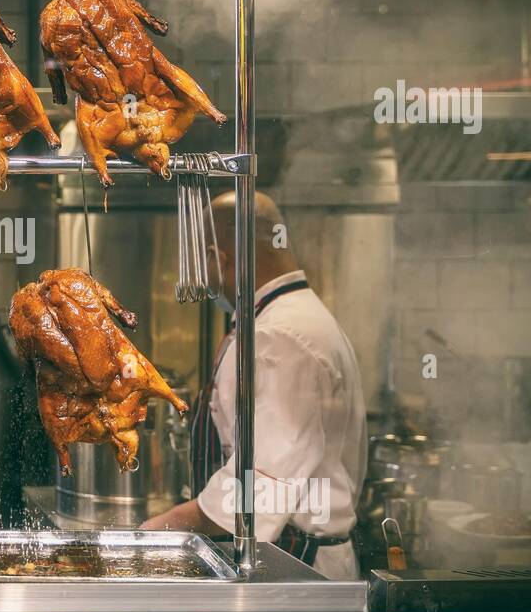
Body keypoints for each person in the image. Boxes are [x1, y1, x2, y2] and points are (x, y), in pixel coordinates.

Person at [142, 190, 367, 580]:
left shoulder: (282, 337)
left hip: (297, 568)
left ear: (218, 258)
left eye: (203, 264)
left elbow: (258, 489)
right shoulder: (282, 321)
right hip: (283, 557)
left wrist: (159, 530)